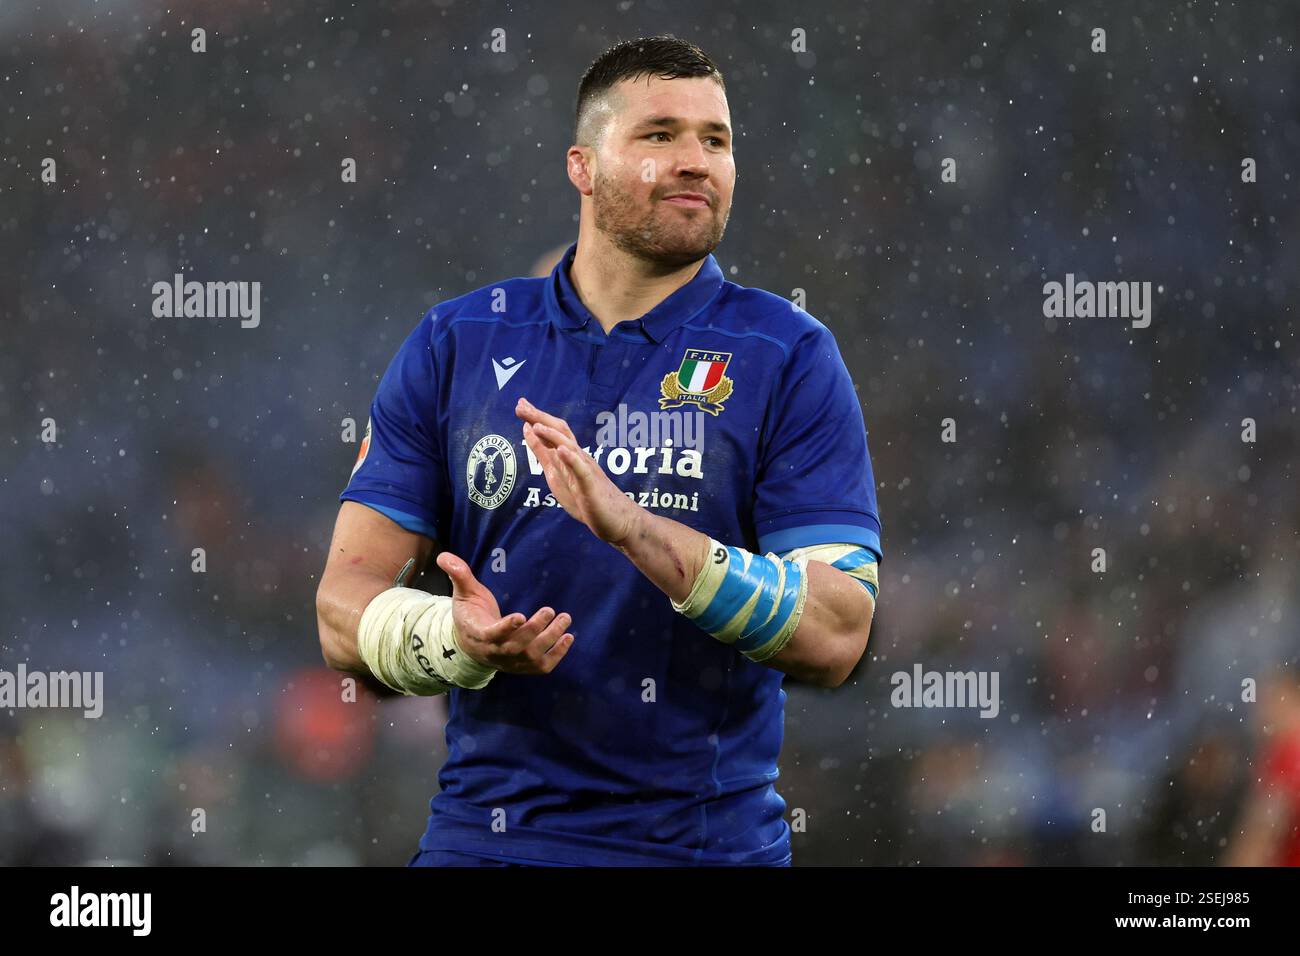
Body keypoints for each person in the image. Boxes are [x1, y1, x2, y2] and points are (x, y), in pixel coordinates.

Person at [315, 35, 883, 867]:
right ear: (582, 167)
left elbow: (838, 633)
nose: (696, 161)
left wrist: (635, 531)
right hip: (487, 842)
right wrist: (453, 642)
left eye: (716, 141)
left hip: (701, 848)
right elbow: (340, 609)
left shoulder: (788, 354)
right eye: (660, 135)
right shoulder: (457, 342)